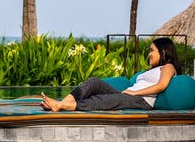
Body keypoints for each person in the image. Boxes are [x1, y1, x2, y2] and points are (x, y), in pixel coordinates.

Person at [40, 37, 182, 113]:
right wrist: (131, 92)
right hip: (130, 95)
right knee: (94, 82)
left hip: (142, 100)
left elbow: (161, 86)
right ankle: (61, 103)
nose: (149, 54)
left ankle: (61, 106)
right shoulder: (152, 69)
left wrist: (135, 93)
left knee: (102, 100)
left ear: (163, 52)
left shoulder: (168, 67)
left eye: (152, 50)